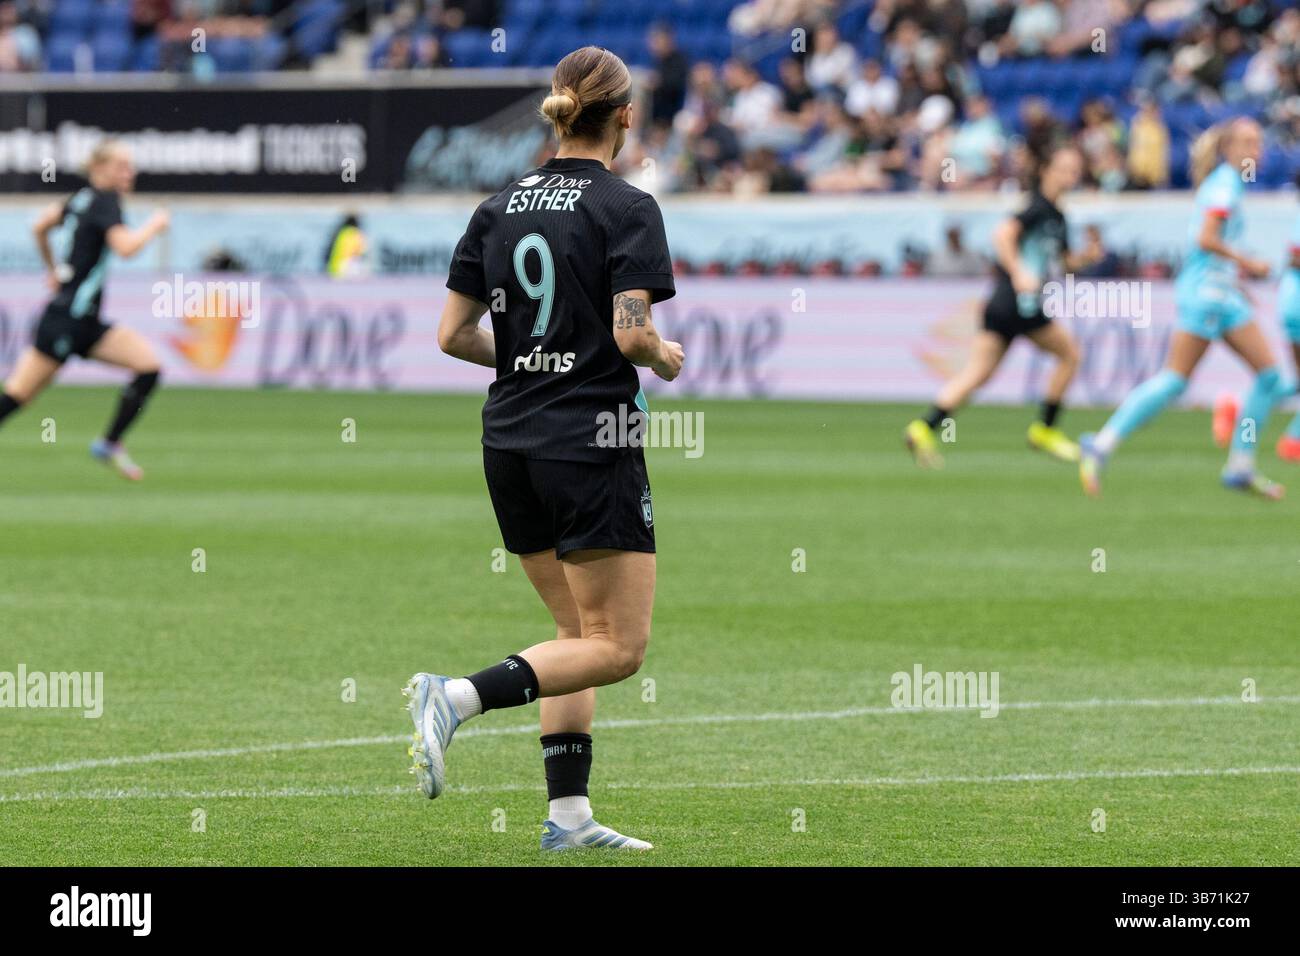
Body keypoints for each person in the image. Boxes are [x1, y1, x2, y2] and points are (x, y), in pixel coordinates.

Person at [405, 46, 685, 852]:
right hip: (591, 437)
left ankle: (568, 818)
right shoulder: (629, 206)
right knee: (619, 649)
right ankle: (454, 696)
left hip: (511, 438)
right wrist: (662, 357)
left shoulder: (497, 206)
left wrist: (532, 351)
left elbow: (453, 335)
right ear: (626, 116)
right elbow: (633, 336)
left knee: (575, 634)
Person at [1080, 118, 1290, 499]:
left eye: (1258, 143)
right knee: (1176, 379)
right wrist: (1248, 263)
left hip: (1220, 293)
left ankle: (1241, 464)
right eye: (1246, 143)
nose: (1254, 151)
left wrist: (1236, 281)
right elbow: (1206, 238)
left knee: (1270, 377)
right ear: (1227, 148)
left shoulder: (1226, 184)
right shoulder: (1225, 185)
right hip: (1206, 295)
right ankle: (1103, 441)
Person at [905, 144, 1085, 468]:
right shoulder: (1037, 208)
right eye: (1063, 168)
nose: (1071, 175)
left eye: (1074, 168)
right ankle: (1045, 429)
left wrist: (1087, 258)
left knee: (977, 374)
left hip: (1002, 303)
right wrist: (1018, 272)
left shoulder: (1057, 217)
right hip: (1019, 302)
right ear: (1045, 171)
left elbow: (1065, 264)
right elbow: (1002, 234)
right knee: (1070, 355)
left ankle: (923, 427)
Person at [0, 140, 169, 480]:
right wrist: (155, 225)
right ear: (100, 168)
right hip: (66, 322)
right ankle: (109, 441)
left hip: (83, 322)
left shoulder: (81, 198)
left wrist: (55, 271)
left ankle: (109, 443)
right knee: (18, 396)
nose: (129, 173)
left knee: (148, 365)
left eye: (130, 167)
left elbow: (40, 226)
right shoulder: (106, 201)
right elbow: (125, 248)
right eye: (122, 167)